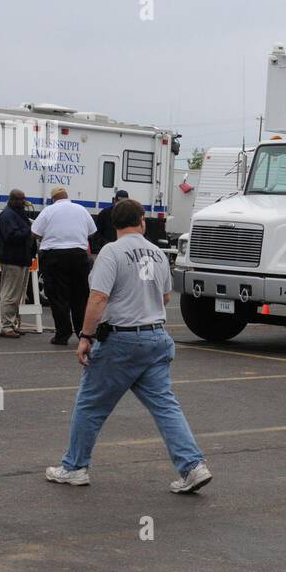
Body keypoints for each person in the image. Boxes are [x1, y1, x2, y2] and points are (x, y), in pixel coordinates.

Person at [45, 199, 212, 494]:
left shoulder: (111, 252)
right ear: (142, 222)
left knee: (91, 405)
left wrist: (85, 336)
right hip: (156, 338)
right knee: (165, 407)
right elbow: (165, 298)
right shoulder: (159, 254)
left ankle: (74, 467)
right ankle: (192, 466)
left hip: (122, 340)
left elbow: (98, 298)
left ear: (114, 224)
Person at [32, 186, 96, 345]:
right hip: (78, 255)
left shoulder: (48, 211)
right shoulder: (81, 209)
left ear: (53, 198)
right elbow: (92, 231)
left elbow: (35, 233)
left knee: (58, 296)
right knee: (80, 296)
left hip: (54, 256)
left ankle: (62, 334)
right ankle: (83, 333)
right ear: (67, 196)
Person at [0, 189, 35, 338]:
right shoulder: (7, 215)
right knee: (10, 294)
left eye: (24, 199)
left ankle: (13, 324)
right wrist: (29, 231)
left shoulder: (18, 214)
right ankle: (6, 326)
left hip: (21, 259)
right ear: (12, 200)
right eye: (20, 199)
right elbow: (11, 236)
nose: (23, 202)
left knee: (17, 295)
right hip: (12, 260)